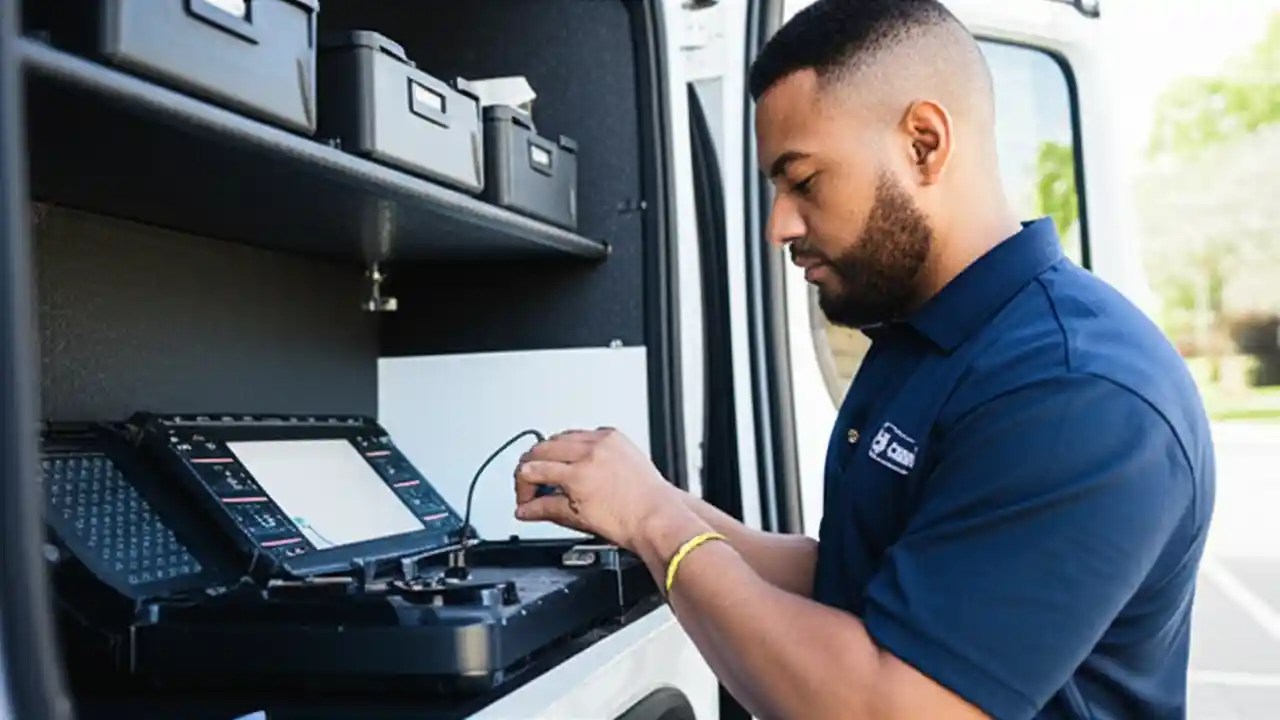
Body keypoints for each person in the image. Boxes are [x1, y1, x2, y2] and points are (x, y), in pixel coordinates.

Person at [512, 0, 1215, 717]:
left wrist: (659, 523)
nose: (778, 226)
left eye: (805, 181)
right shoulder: (924, 339)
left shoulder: (1076, 392)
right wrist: (641, 501)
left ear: (923, 143)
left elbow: (887, 707)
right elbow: (850, 577)